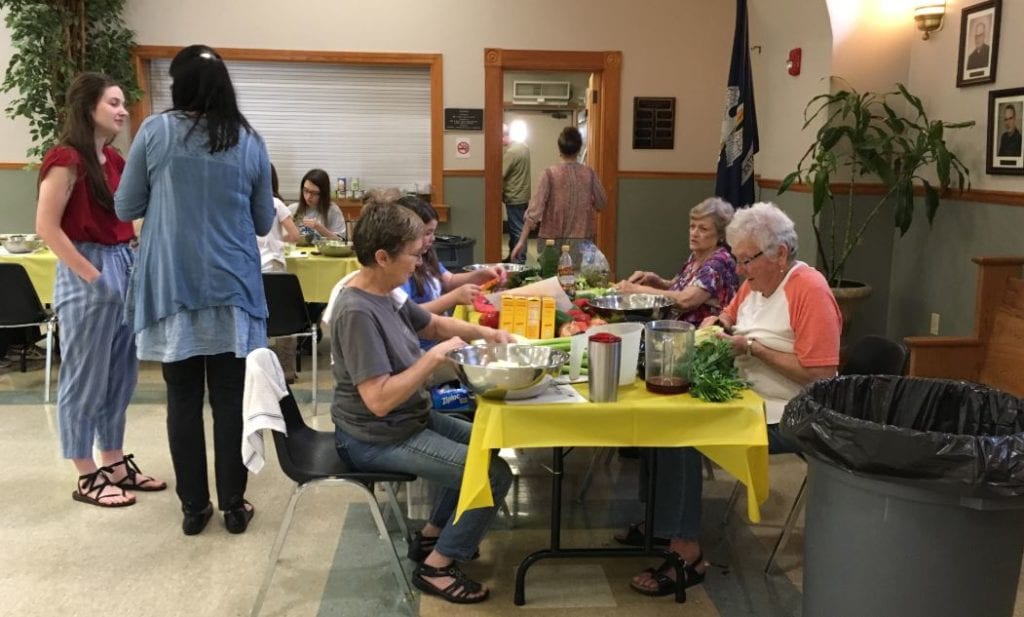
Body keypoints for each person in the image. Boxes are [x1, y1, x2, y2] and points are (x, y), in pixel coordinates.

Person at [625, 202, 841, 597]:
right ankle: (661, 522)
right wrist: (718, 324)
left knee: (681, 435)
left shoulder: (808, 289)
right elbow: (728, 313)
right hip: (746, 399)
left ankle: (686, 552)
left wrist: (752, 348)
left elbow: (822, 377)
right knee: (661, 416)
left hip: (793, 415)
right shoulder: (754, 281)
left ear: (779, 254)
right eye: (737, 259)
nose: (738, 270)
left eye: (746, 261)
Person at [115, 45, 275, 536]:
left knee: (181, 398)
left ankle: (193, 508)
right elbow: (264, 220)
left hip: (173, 286)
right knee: (230, 398)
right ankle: (233, 506)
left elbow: (125, 207)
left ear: (178, 87)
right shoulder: (249, 140)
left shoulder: (155, 132)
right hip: (232, 289)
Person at [331, 199, 514, 604]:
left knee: (486, 438)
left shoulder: (387, 292)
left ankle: (432, 536)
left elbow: (431, 322)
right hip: (376, 436)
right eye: (414, 254)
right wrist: (432, 357)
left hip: (407, 418)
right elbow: (377, 401)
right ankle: (438, 566)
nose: (420, 262)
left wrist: (486, 335)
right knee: (494, 474)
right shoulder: (357, 311)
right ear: (382, 256)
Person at [35, 72, 166, 508]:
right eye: (113, 103)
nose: (122, 110)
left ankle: (111, 459)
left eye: (123, 103)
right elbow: (47, 228)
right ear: (88, 107)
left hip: (122, 263)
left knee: (120, 374)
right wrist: (92, 275)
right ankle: (84, 471)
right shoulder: (66, 159)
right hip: (87, 267)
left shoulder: (114, 161)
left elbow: (129, 217)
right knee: (85, 376)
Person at [614, 197, 739, 327]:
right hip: (672, 327)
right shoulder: (697, 256)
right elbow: (679, 286)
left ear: (721, 235)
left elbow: (685, 300)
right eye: (692, 226)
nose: (694, 233)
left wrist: (636, 289)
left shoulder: (718, 263)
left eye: (703, 229)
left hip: (697, 336)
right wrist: (656, 281)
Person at [510, 126, 607, 264]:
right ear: (579, 149)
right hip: (580, 241)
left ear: (560, 149)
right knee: (577, 281)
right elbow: (602, 202)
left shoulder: (549, 174)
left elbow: (534, 211)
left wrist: (521, 241)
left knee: (551, 281)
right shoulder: (589, 174)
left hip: (551, 242)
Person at [397, 194, 505, 317]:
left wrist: (483, 274)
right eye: (427, 233)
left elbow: (449, 280)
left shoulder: (426, 256)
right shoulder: (400, 270)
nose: (432, 239)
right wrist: (452, 298)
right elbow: (405, 315)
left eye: (433, 232)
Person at [260, 164, 301, 382]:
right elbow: (295, 235)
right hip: (274, 267)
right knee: (284, 320)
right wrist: (277, 241)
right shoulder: (276, 204)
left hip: (251, 269)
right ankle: (286, 371)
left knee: (258, 320)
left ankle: (257, 367)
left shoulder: (244, 202)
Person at [290, 168, 345, 241]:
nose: (308, 197)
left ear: (323, 193)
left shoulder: (333, 210)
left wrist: (319, 227)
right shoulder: (293, 209)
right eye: (306, 190)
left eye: (314, 193)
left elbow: (340, 241)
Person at [502, 123, 531, 263]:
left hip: (514, 196)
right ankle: (512, 257)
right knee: (518, 228)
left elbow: (499, 174)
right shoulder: (524, 147)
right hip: (523, 195)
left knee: (517, 230)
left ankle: (519, 261)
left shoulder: (511, 152)